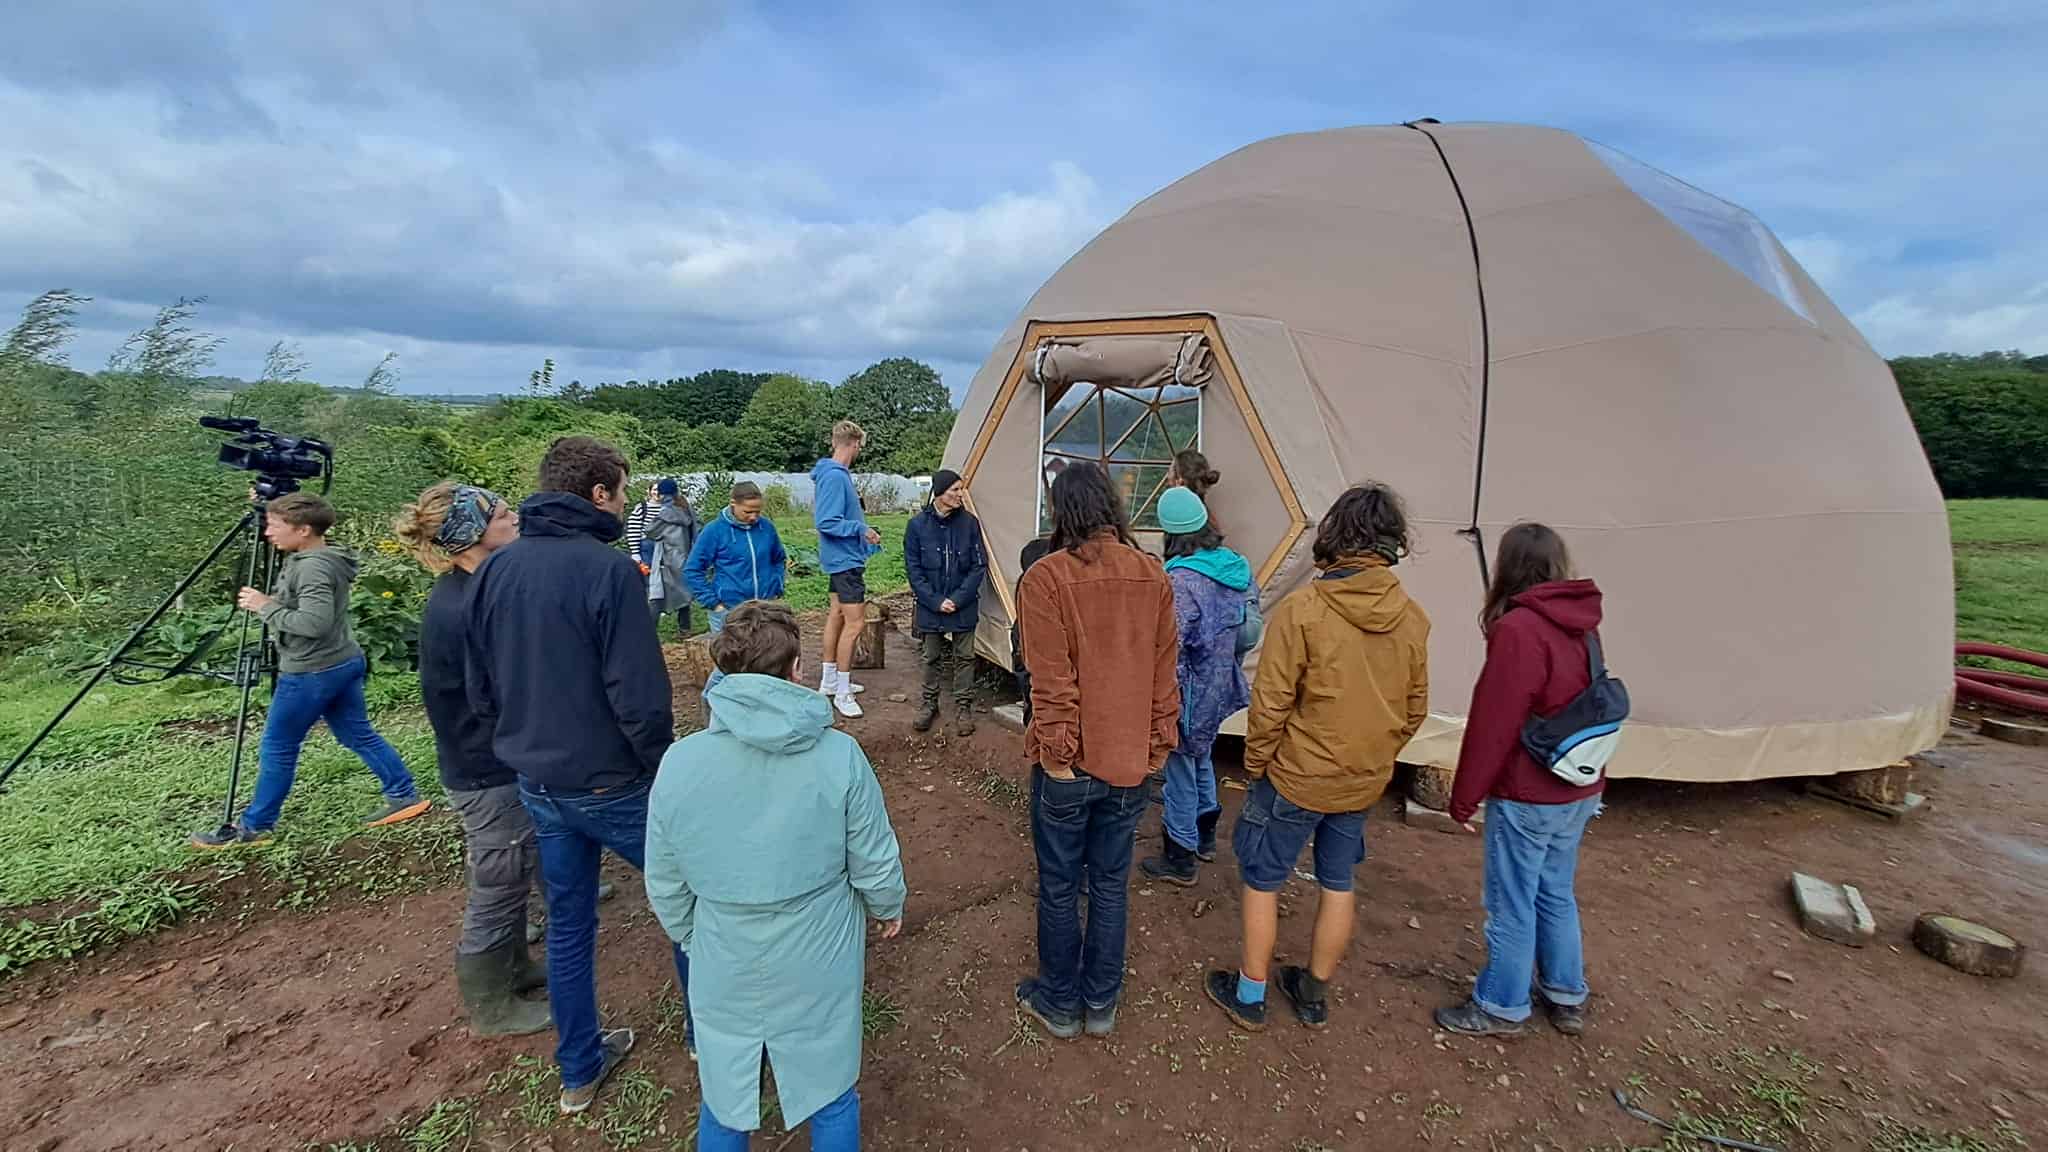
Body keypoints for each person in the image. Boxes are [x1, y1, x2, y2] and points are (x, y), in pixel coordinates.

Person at [464, 435, 689, 1114]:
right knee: (689, 901)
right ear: (598, 494)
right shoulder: (608, 571)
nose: (626, 500)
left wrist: (521, 745)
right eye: (622, 489)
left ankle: (579, 1069)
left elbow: (479, 685)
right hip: (613, 783)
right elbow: (639, 696)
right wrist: (661, 767)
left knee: (568, 923)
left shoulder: (495, 571)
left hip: (537, 783)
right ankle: (713, 1036)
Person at [645, 601, 907, 1152]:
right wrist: (887, 905)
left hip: (724, 946)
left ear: (723, 672)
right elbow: (873, 853)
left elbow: (665, 877)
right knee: (831, 1088)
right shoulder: (840, 755)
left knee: (725, 1094)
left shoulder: (681, 762)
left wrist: (692, 935)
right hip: (820, 946)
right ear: (796, 670)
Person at [1205, 483, 1430, 1032]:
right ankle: (1312, 991)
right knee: (1337, 881)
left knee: (1262, 878)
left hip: (1295, 778)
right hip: (1361, 781)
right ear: (1391, 542)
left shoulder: (1305, 610)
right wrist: (1376, 755)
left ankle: (1251, 994)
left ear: (1335, 536)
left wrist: (1257, 766)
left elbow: (1271, 704)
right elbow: (1415, 708)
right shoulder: (1412, 618)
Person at [1014, 462, 1179, 1040]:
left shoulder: (1045, 577)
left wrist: (1057, 758)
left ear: (1061, 512)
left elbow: (1050, 680)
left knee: (1061, 885)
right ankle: (1100, 1002)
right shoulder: (1152, 574)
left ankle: (1060, 1002)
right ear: (1111, 509)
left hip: (1072, 765)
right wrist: (1159, 744)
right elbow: (1165, 674)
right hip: (1131, 761)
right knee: (1109, 884)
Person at [1434, 523, 1607, 1038]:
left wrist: (1463, 797)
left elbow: (1495, 722)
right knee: (1555, 890)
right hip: (1577, 784)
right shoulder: (1585, 625)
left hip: (1530, 790)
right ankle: (1565, 992)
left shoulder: (1519, 630)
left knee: (1511, 899)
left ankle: (1501, 1004)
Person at [393, 482, 550, 1037]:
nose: (514, 519)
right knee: (499, 878)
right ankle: (490, 1006)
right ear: (469, 534)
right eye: (504, 514)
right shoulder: (463, 605)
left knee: (512, 866)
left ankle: (515, 967)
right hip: (485, 767)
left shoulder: (470, 588)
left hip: (493, 758)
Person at [191, 493, 426, 848]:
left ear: (302, 531)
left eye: (274, 525)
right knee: (357, 735)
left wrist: (265, 606)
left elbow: (313, 623)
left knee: (278, 746)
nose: (267, 533)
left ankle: (255, 828)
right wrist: (268, 501)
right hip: (341, 660)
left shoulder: (312, 567)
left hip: (311, 671)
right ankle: (405, 795)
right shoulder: (319, 556)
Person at [1140, 487, 1252, 887]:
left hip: (1186, 691)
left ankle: (1180, 854)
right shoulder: (1232, 566)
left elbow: (1172, 641)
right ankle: (1205, 836)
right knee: (1201, 756)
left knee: (1180, 769)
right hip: (1220, 683)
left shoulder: (1183, 580)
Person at [684, 480, 789, 699]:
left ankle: (754, 706)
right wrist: (714, 603)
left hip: (763, 608)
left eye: (758, 511)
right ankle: (711, 703)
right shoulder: (715, 531)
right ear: (733, 504)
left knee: (765, 658)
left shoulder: (766, 528)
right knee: (729, 665)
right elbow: (692, 570)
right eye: (748, 511)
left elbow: (779, 558)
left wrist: (777, 583)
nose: (753, 517)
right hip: (730, 610)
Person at [903, 469, 987, 736]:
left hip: (963, 604)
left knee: (965, 657)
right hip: (931, 606)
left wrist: (958, 599)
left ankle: (964, 707)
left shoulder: (970, 524)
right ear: (939, 493)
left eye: (960, 489)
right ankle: (929, 704)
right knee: (931, 657)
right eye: (955, 490)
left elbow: (978, 565)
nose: (960, 495)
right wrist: (936, 601)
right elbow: (913, 569)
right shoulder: (917, 526)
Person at [811, 421, 882, 718]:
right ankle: (842, 692)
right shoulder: (835, 478)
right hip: (845, 561)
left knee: (837, 615)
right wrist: (861, 529)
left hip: (839, 560)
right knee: (855, 624)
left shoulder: (830, 475)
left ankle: (829, 681)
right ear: (854, 443)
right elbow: (826, 521)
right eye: (859, 446)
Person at [644, 477, 699, 636]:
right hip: (684, 555)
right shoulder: (686, 509)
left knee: (656, 595)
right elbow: (696, 531)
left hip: (665, 558)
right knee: (683, 592)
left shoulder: (665, 513)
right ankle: (685, 629)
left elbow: (650, 531)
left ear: (661, 494)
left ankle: (649, 632)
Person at [625, 479, 661, 566]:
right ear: (649, 491)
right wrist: (635, 553)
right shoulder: (642, 508)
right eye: (655, 489)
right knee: (646, 573)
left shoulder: (669, 508)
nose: (658, 492)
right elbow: (633, 530)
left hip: (665, 546)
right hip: (647, 546)